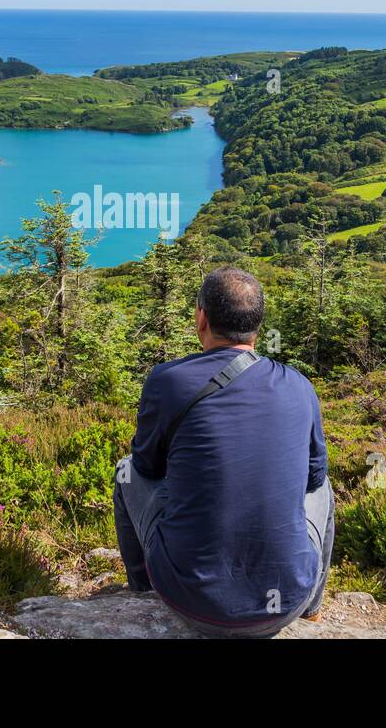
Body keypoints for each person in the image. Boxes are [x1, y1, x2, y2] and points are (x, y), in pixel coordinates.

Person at [113, 266, 334, 638]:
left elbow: (146, 467)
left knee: (126, 471)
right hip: (285, 606)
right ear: (257, 325)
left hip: (190, 605)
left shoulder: (167, 381)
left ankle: (144, 590)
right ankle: (311, 608)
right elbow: (313, 478)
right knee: (323, 486)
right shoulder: (299, 386)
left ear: (201, 318)